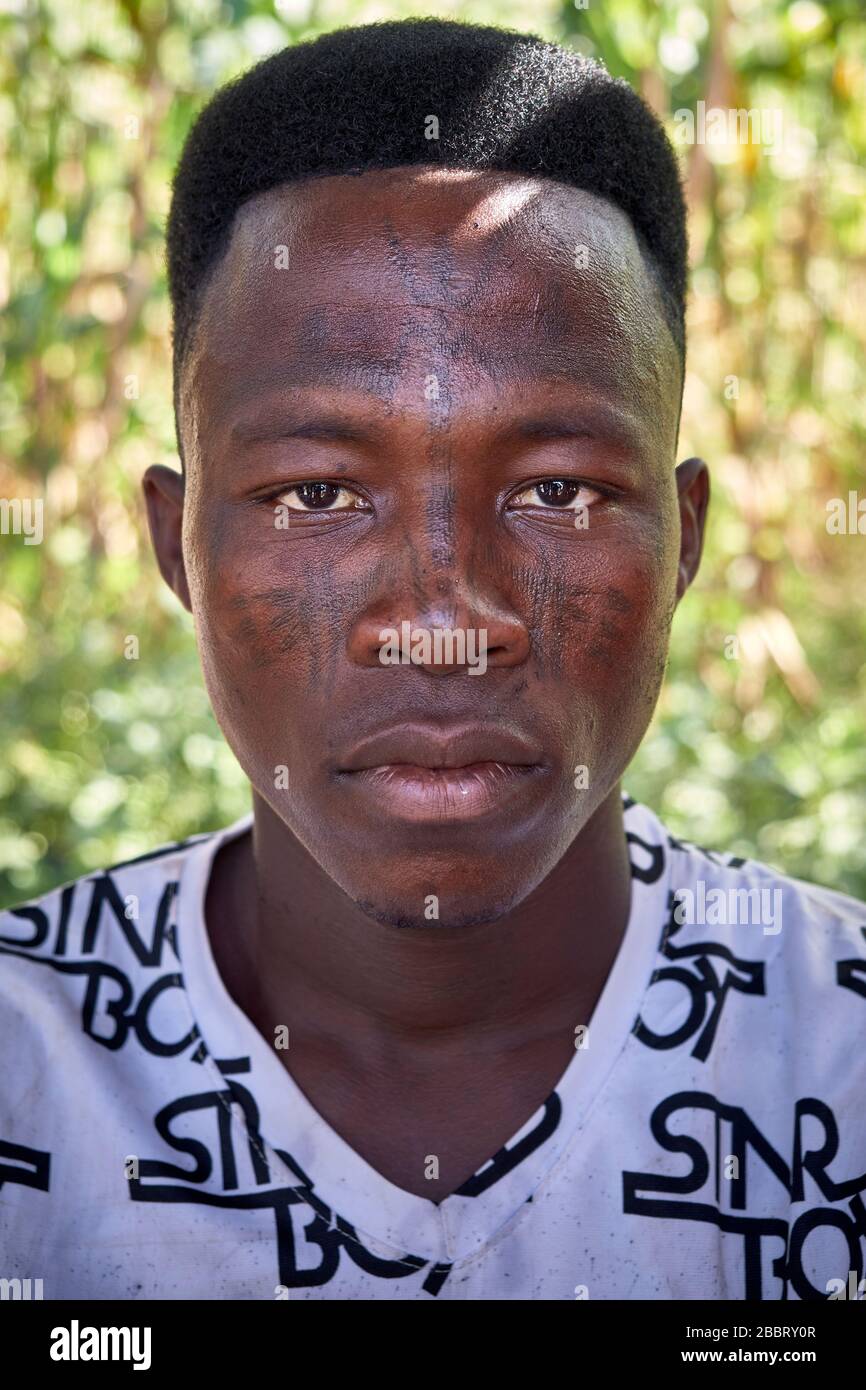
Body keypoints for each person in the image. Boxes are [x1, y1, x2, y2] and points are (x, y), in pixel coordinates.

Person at [1, 18, 863, 1302]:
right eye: (315, 495)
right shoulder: (28, 1067)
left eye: (559, 491)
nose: (444, 614)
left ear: (680, 539)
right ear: (176, 546)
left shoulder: (839, 1057)